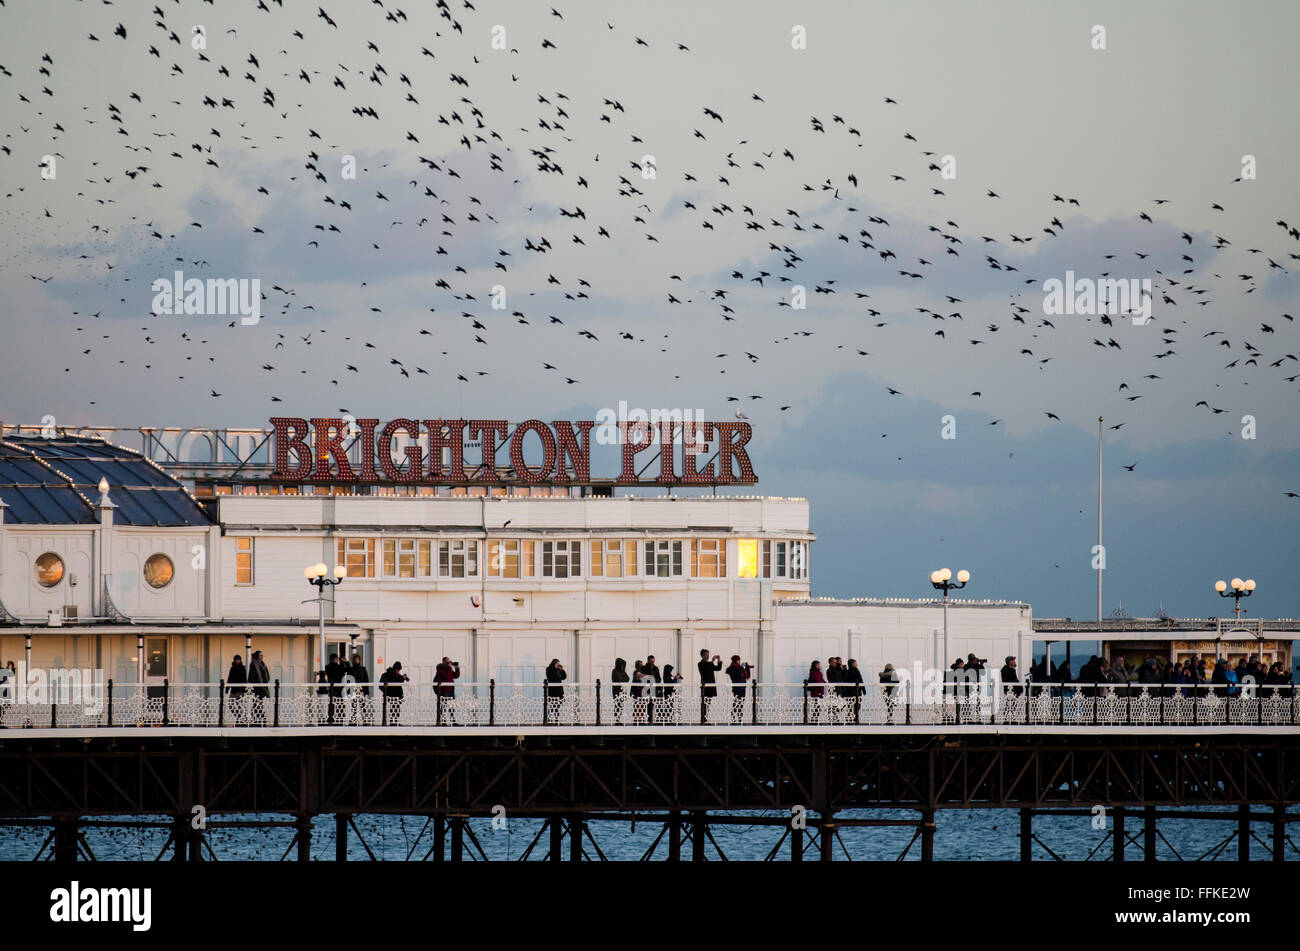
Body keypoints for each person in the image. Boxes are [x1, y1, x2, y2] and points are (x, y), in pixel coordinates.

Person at [247, 650, 271, 724]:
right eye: (260, 655)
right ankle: (259, 720)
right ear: (257, 656)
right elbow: (251, 676)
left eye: (262, 655)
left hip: (262, 687)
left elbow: (266, 675)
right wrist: (252, 685)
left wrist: (265, 683)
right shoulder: (254, 664)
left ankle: (259, 720)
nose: (262, 657)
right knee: (257, 704)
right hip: (257, 687)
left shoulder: (263, 664)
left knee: (259, 703)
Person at [725, 654, 750, 722]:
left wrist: (746, 668)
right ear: (735, 661)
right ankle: (733, 715)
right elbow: (738, 676)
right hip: (737, 688)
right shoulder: (732, 668)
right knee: (736, 702)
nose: (739, 661)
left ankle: (739, 717)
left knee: (741, 703)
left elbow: (747, 677)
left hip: (742, 688)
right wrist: (742, 668)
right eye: (738, 660)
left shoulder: (739, 668)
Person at [226, 654, 248, 721]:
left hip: (240, 690)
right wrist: (227, 689)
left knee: (239, 705)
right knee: (230, 704)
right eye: (236, 660)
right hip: (233, 690)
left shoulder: (243, 668)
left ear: (240, 660)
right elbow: (229, 679)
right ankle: (238, 717)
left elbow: (245, 679)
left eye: (238, 660)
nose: (237, 661)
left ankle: (240, 719)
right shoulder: (232, 668)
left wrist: (246, 689)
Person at [611, 658, 629, 722]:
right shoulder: (614, 671)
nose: (622, 666)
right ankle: (617, 719)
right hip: (616, 691)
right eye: (621, 665)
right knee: (617, 705)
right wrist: (622, 679)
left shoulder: (623, 672)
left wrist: (622, 678)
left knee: (621, 705)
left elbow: (627, 678)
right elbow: (618, 679)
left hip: (622, 690)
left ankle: (620, 718)